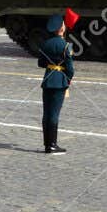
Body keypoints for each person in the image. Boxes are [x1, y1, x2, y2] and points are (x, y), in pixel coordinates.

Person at [37, 15, 74, 154]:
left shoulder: (46, 44)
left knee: (46, 113)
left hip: (47, 80)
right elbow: (70, 68)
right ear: (61, 28)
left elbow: (41, 63)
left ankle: (47, 143)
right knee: (54, 113)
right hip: (59, 82)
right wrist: (67, 80)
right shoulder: (65, 45)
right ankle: (52, 145)